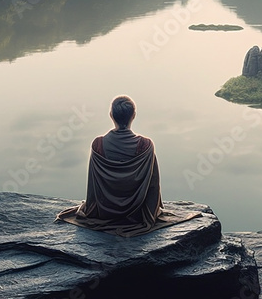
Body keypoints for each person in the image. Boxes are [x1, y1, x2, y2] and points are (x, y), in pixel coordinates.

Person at [57, 96, 198, 237]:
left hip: (104, 213)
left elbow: (93, 188)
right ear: (134, 116)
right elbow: (153, 186)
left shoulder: (97, 145)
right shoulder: (145, 145)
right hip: (137, 215)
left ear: (111, 115)